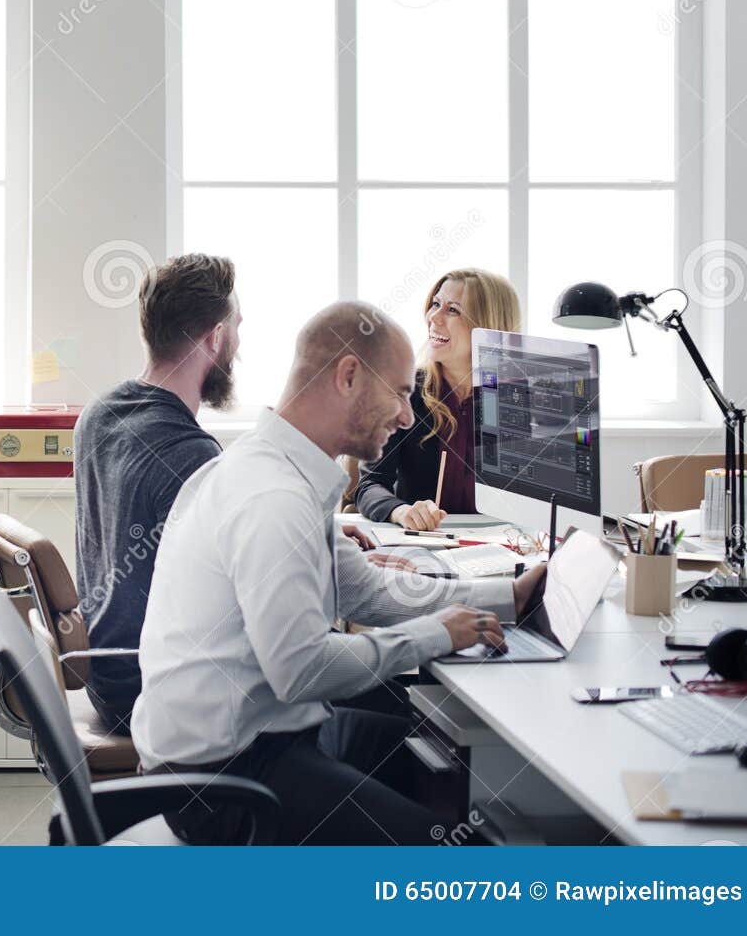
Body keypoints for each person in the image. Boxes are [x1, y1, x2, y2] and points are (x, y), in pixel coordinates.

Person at [131, 301, 546, 845]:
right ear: (348, 376)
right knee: (461, 848)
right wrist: (436, 634)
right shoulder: (273, 497)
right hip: (224, 784)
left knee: (450, 759)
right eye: (400, 393)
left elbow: (365, 590)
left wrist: (509, 597)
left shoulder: (281, 470)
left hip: (264, 739)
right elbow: (301, 670)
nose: (406, 416)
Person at [73, 254, 406, 735]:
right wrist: (337, 566)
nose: (239, 345)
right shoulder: (188, 452)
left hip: (109, 676)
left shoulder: (101, 412)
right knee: (403, 705)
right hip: (157, 689)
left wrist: (321, 538)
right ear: (215, 337)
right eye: (237, 327)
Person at [355, 269, 521, 530]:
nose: (433, 317)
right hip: (422, 541)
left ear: (487, 326)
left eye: (453, 310)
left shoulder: (519, 398)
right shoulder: (402, 390)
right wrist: (401, 511)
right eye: (435, 304)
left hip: (502, 540)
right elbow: (369, 486)